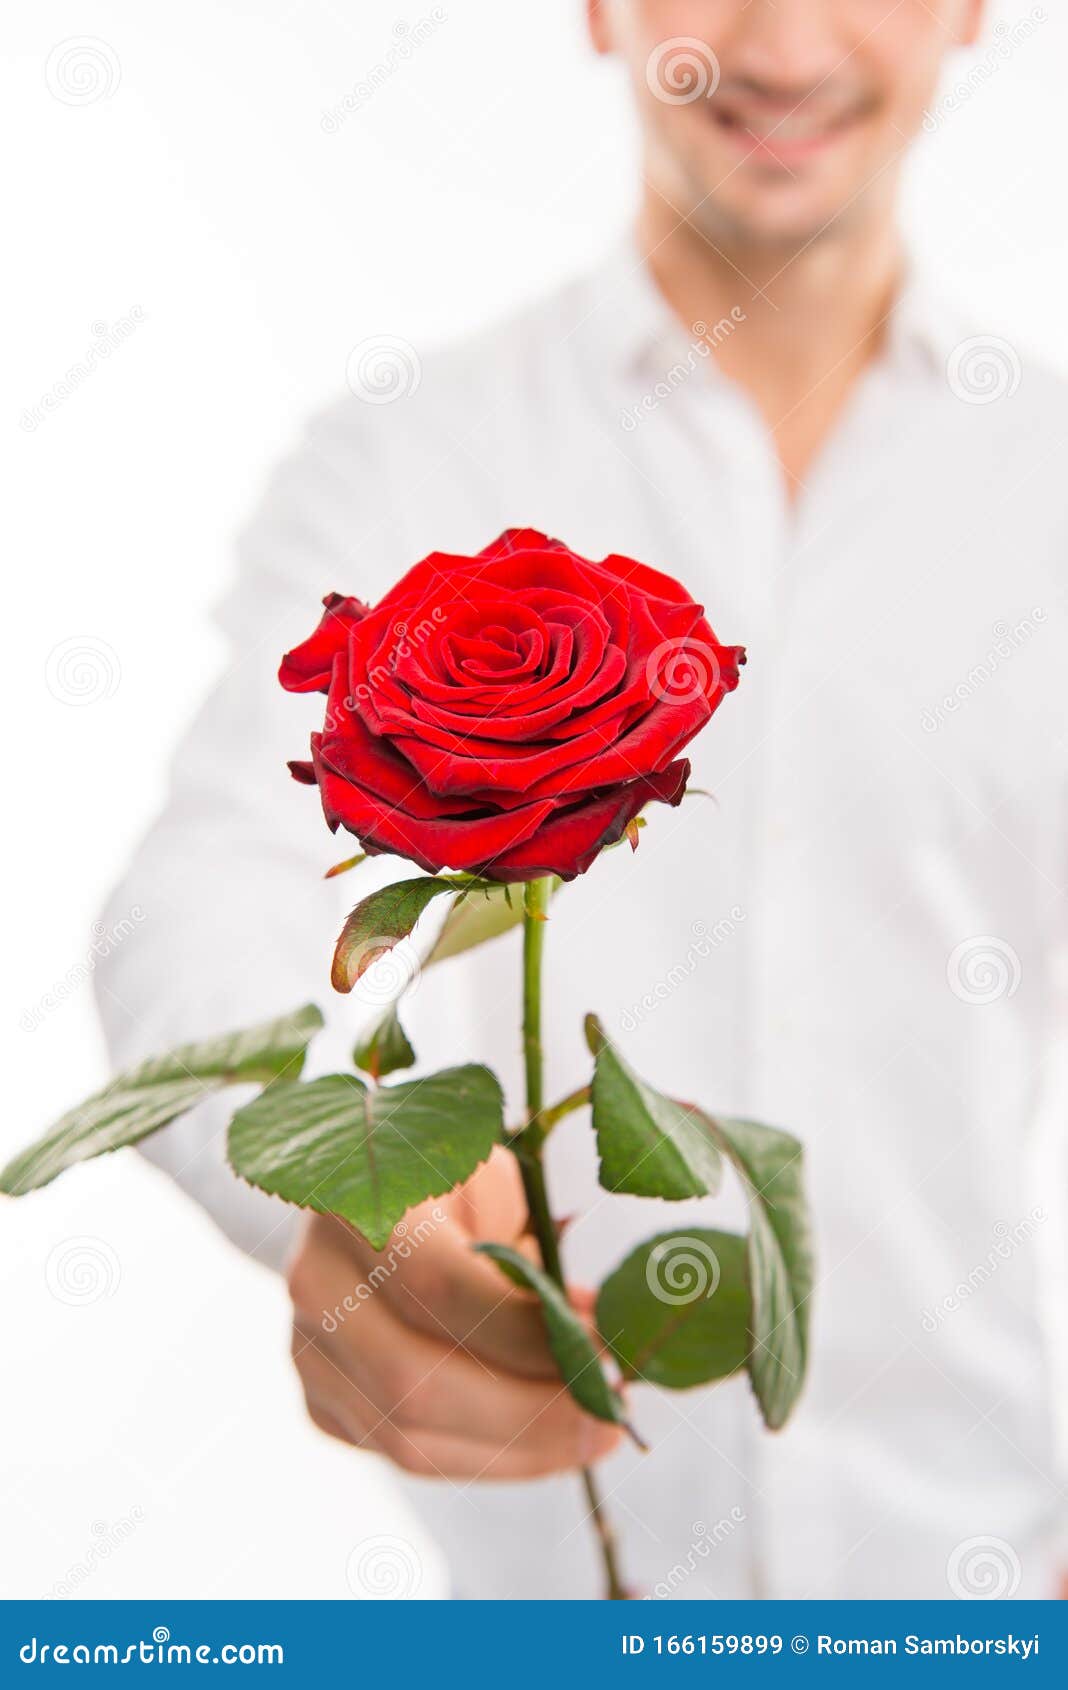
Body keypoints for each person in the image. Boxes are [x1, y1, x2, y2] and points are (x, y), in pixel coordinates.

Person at [96, 0, 1068, 1600]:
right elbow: (205, 897)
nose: (783, 38)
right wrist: (341, 1185)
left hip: (978, 1576)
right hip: (555, 1597)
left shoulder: (1041, 485)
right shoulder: (410, 455)